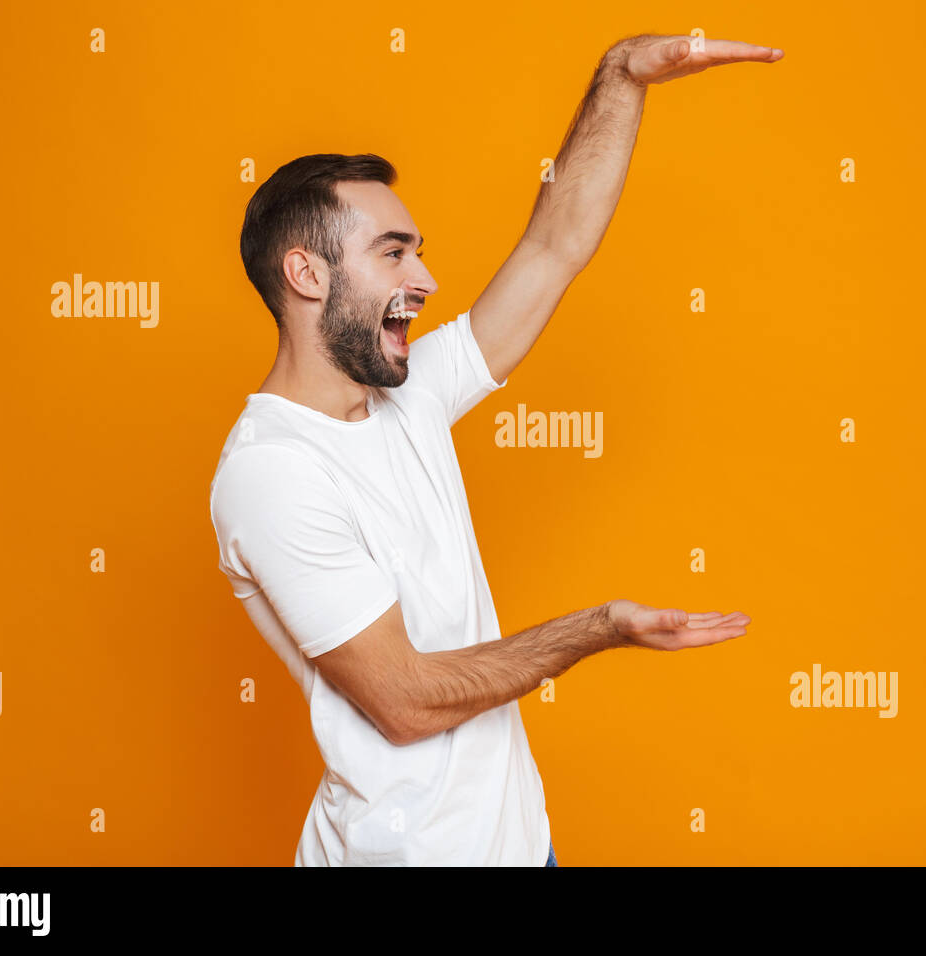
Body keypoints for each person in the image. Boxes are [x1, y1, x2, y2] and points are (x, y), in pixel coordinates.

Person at [208, 33, 781, 866]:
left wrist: (622, 77)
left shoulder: (406, 397)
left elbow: (554, 248)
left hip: (520, 845)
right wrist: (595, 629)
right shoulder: (270, 474)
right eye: (393, 251)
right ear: (307, 273)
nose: (427, 279)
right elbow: (404, 701)